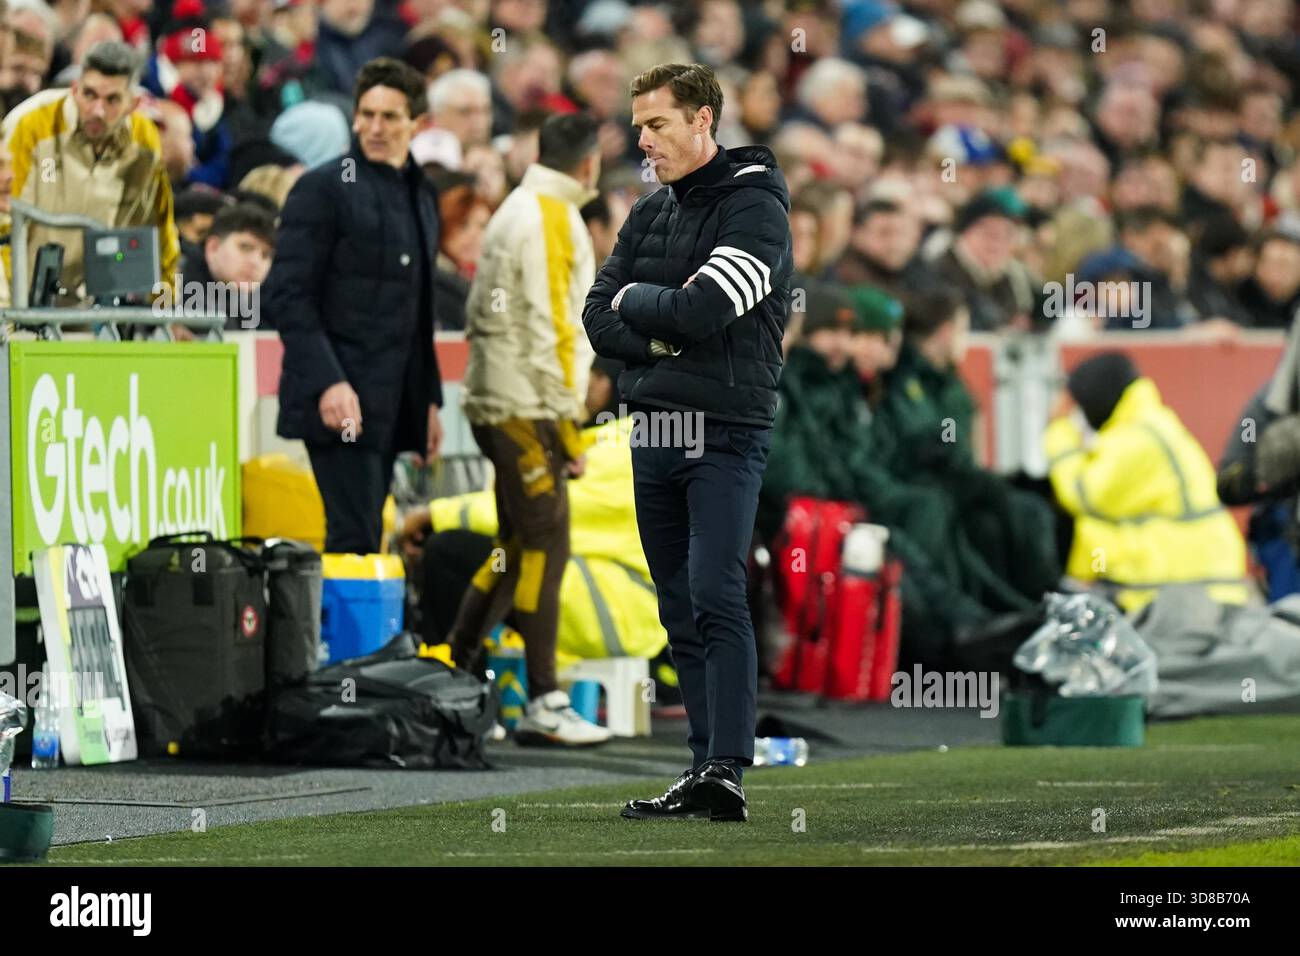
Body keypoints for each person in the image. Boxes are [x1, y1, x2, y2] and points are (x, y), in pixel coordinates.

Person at [583, 62, 792, 822]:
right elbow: (595, 316)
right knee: (677, 603)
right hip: (653, 428)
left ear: (703, 120)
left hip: (725, 430)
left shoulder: (757, 207)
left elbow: (704, 309)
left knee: (715, 590)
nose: (643, 139)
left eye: (658, 123)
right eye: (638, 124)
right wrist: (656, 332)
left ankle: (730, 768)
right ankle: (703, 764)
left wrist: (644, 306)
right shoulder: (650, 210)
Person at [445, 112, 606, 747]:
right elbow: (555, 329)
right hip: (524, 406)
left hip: (500, 400)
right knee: (546, 542)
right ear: (589, 163)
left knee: (516, 544)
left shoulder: (521, 205)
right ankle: (544, 698)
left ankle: (453, 669)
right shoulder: (550, 215)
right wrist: (566, 422)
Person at [266, 57, 443, 554]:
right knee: (354, 535)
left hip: (393, 397)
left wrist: (428, 400)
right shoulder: (321, 188)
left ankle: (368, 634)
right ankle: (349, 636)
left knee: (371, 533)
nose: (374, 127)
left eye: (390, 117)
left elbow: (419, 307)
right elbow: (287, 294)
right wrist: (329, 382)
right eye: (366, 114)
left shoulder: (421, 192)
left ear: (418, 124)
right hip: (338, 395)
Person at [1045, 352, 1249, 613]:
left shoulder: (1137, 439)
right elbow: (1104, 522)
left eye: (1077, 407)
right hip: (1188, 588)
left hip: (1189, 594)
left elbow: (1083, 496)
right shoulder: (1144, 426)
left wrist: (1059, 431)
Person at [4, 40, 179, 304]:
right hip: (18, 299)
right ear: (74, 89)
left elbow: (158, 231)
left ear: (133, 104)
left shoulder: (144, 140)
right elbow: (5, 222)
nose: (97, 110)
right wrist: (8, 311)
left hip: (93, 307)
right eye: (89, 94)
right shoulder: (30, 124)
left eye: (112, 100)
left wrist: (167, 309)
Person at [180, 200, 275, 330]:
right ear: (212, 248)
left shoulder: (268, 309)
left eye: (266, 255)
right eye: (245, 247)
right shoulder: (171, 299)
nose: (256, 262)